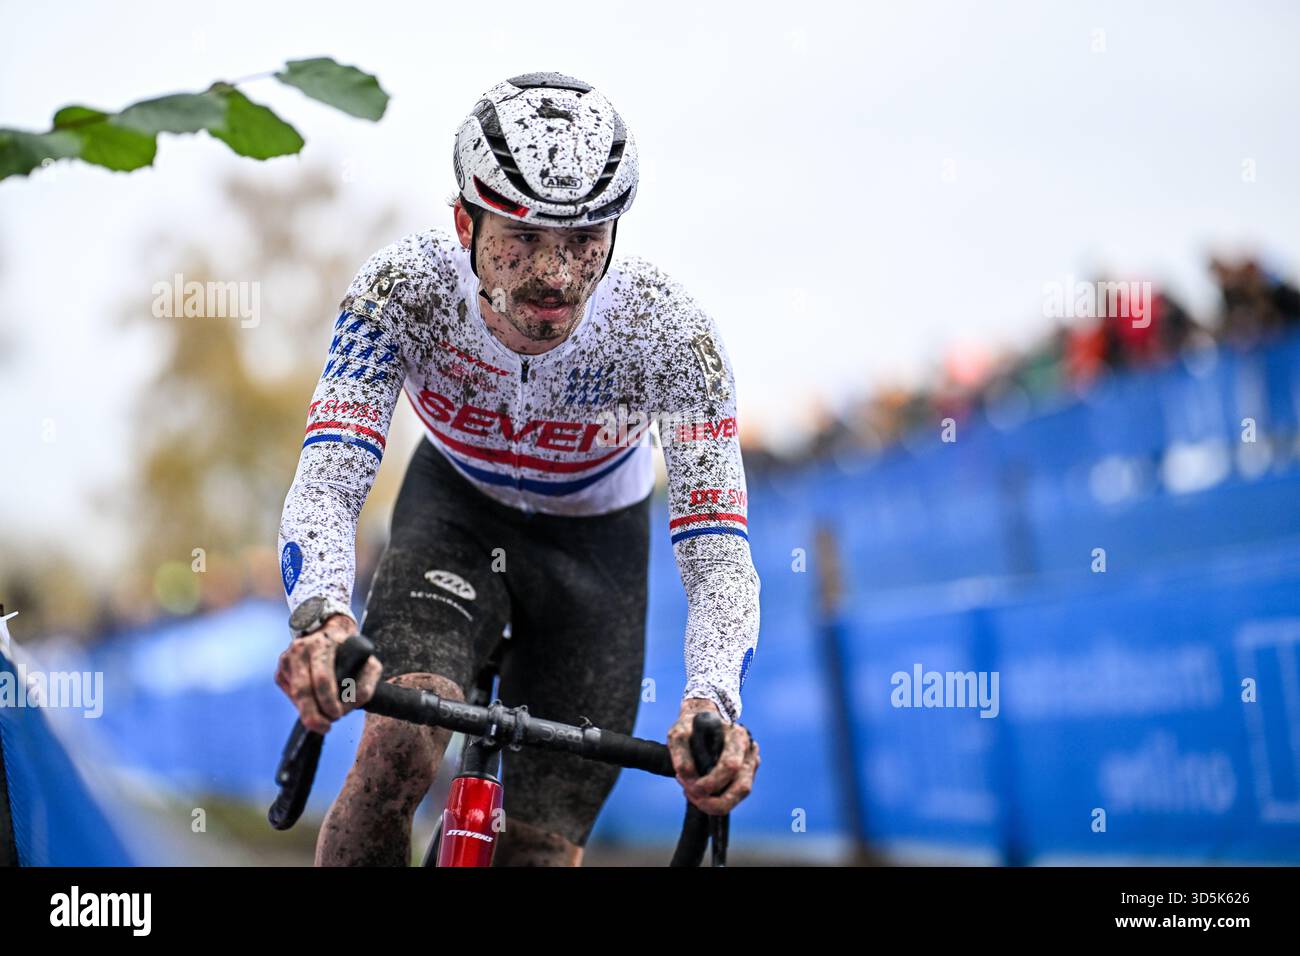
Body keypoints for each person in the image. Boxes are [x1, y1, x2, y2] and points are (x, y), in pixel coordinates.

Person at [273, 72, 761, 866]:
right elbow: (330, 475)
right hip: (453, 517)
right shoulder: (403, 291)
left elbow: (718, 556)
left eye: (582, 241)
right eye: (525, 238)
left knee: (534, 851)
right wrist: (323, 617)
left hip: (594, 551)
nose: (557, 276)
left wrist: (713, 699)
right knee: (398, 744)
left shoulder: (671, 337)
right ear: (464, 220)